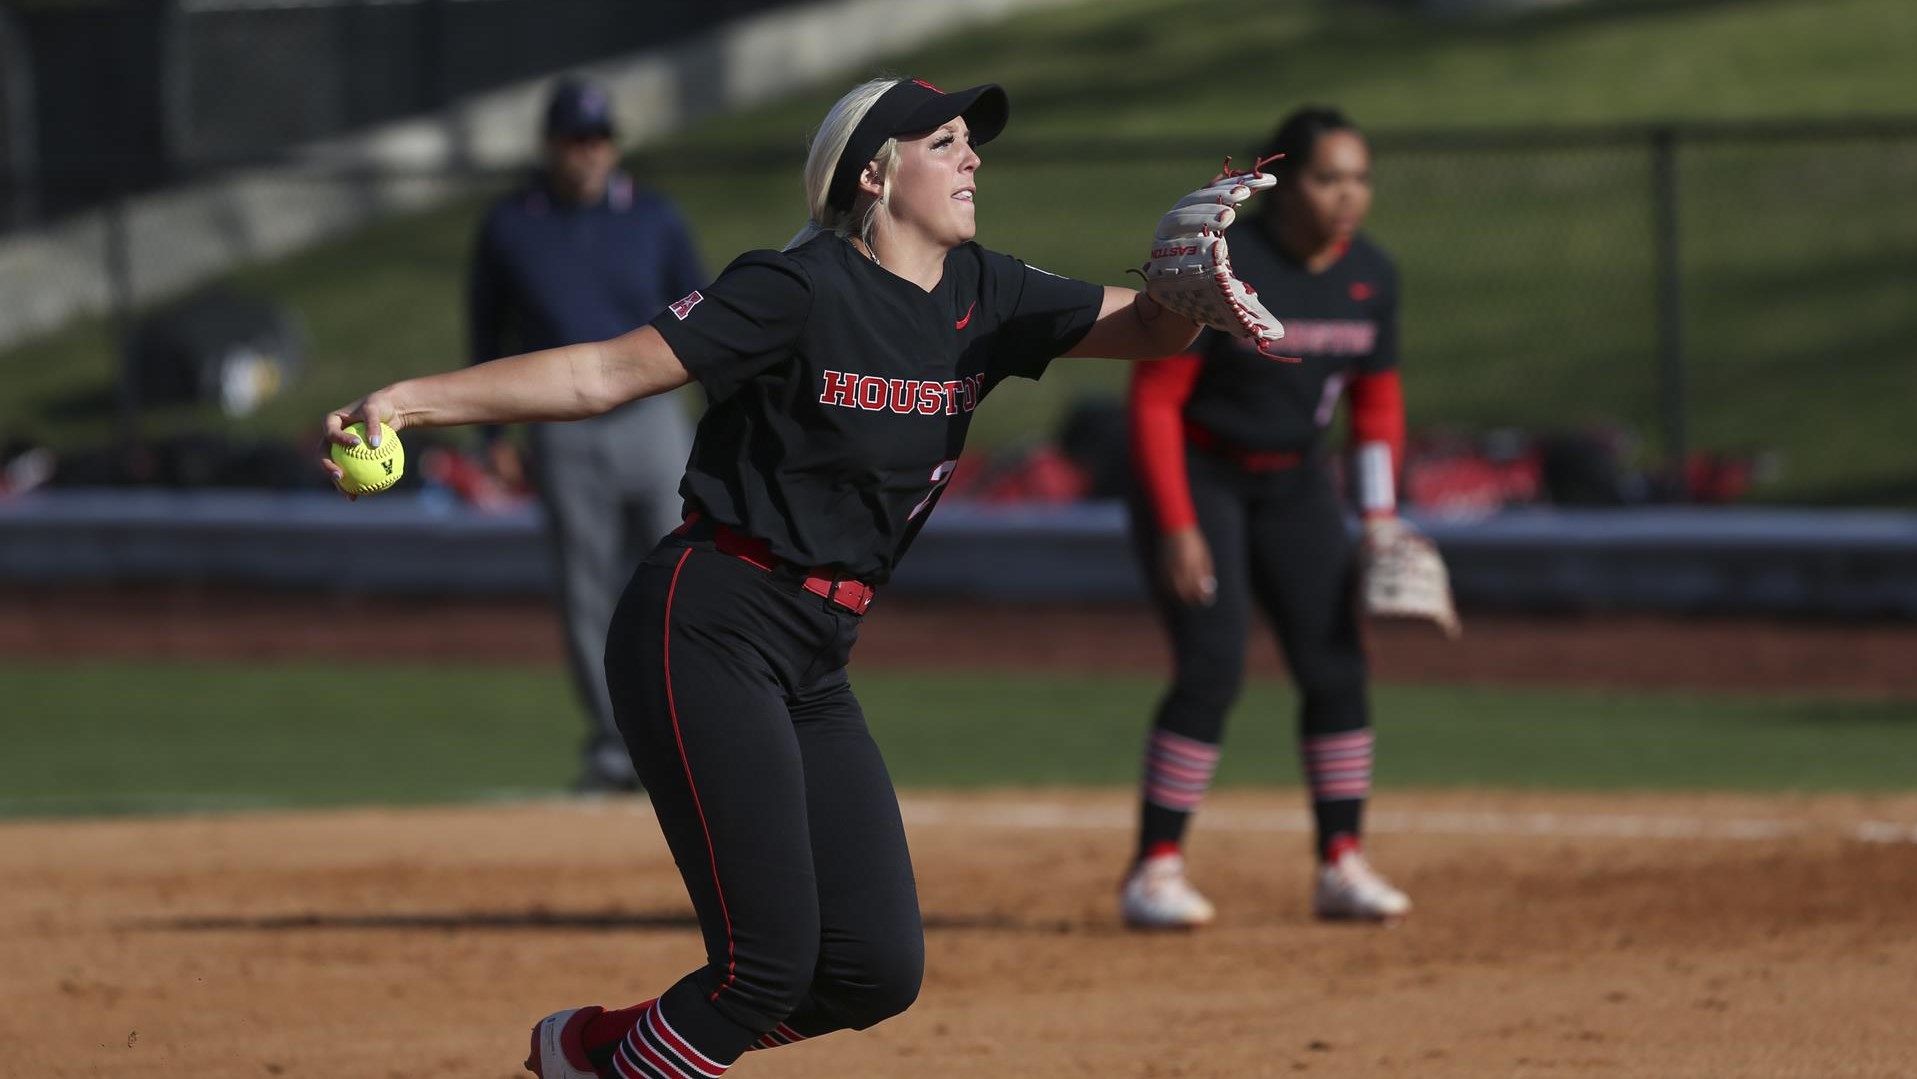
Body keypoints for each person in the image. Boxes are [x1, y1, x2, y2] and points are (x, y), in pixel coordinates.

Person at [320, 77, 1283, 1079]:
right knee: (764, 965)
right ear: (874, 171)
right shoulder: (794, 285)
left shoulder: (984, 294)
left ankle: (595, 1052)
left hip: (816, 656)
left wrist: (1183, 295)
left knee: (873, 968)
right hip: (706, 625)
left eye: (970, 143)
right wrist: (408, 402)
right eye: (945, 142)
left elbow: (1146, 331)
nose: (972, 159)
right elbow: (601, 375)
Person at [1119, 106, 1417, 928]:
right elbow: (1154, 399)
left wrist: (1381, 519)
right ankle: (1155, 868)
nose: (1347, 195)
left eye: (1359, 177)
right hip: (1200, 474)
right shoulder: (1226, 265)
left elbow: (1377, 404)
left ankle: (1341, 862)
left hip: (1294, 481)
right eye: (1328, 177)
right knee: (1214, 665)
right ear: (1283, 185)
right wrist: (1176, 523)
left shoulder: (1372, 275)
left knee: (1335, 665)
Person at [468, 76, 706, 793]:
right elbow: (488, 330)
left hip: (653, 417)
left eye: (600, 139)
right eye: (577, 139)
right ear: (550, 146)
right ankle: (615, 746)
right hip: (562, 427)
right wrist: (495, 431)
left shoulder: (654, 217)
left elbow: (706, 316)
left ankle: (694, 732)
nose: (589, 153)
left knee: (684, 577)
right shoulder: (512, 223)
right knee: (586, 588)